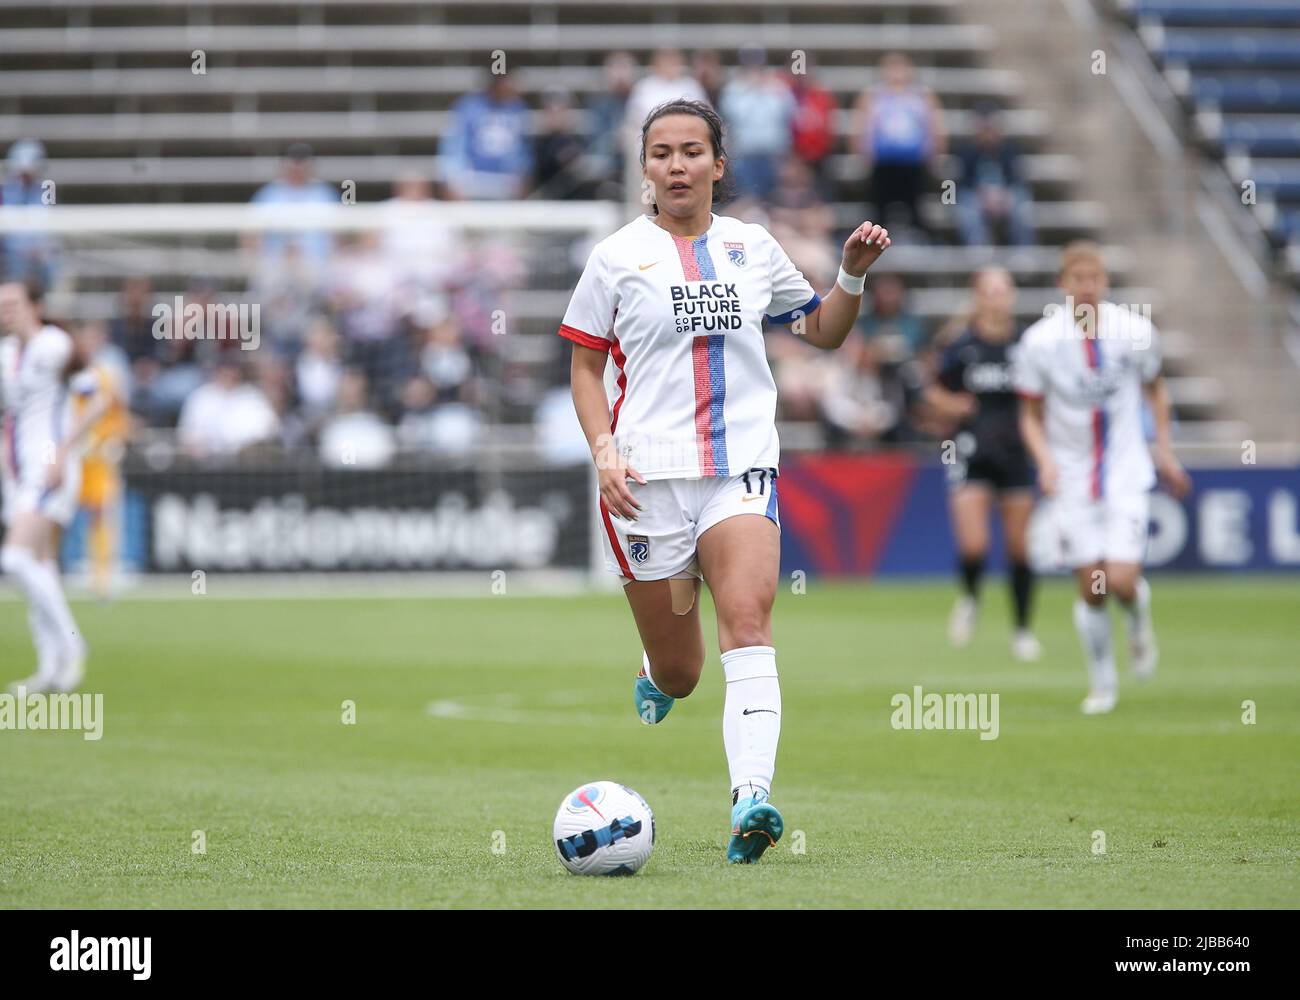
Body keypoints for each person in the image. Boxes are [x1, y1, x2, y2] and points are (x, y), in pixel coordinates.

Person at [559, 98, 891, 863]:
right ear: (645, 167)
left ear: (718, 164)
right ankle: (658, 671)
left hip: (739, 470)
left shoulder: (751, 246)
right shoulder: (616, 257)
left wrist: (850, 276)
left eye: (691, 151)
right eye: (662, 153)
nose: (677, 165)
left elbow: (822, 331)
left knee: (748, 620)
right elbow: (582, 366)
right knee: (682, 672)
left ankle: (752, 801)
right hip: (644, 481)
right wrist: (605, 449)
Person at [1015, 242, 1191, 714]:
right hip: (1072, 480)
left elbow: (1157, 393)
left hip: (1126, 474)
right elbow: (1029, 415)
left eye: (1095, 278)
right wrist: (1045, 462)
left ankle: (1137, 624)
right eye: (1078, 279)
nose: (1087, 287)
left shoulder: (1134, 333)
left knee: (1122, 580)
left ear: (1105, 282)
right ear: (1063, 284)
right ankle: (1103, 681)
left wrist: (1166, 454)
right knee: (1092, 585)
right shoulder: (1040, 342)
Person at [926, 267, 1040, 661]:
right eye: (990, 291)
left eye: (1004, 290)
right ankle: (971, 598)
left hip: (1016, 451)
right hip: (971, 448)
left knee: (1020, 549)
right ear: (978, 296)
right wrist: (954, 405)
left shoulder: (1028, 343)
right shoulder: (962, 345)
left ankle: (1023, 630)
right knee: (974, 545)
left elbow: (1044, 394)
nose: (998, 297)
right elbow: (933, 390)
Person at [0, 279, 99, 693]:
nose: (5, 310)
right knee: (39, 566)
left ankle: (75, 644)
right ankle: (50, 669)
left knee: (14, 560)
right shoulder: (5, 355)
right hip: (18, 474)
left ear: (33, 306)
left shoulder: (55, 345)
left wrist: (63, 452)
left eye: (12, 303)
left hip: (49, 468)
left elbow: (96, 400)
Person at [850, 52, 946, 240]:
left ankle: (921, 240)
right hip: (883, 162)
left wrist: (936, 151)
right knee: (879, 206)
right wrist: (861, 152)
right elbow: (861, 125)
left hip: (913, 162)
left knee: (916, 204)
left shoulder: (921, 96)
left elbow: (934, 124)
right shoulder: (873, 96)